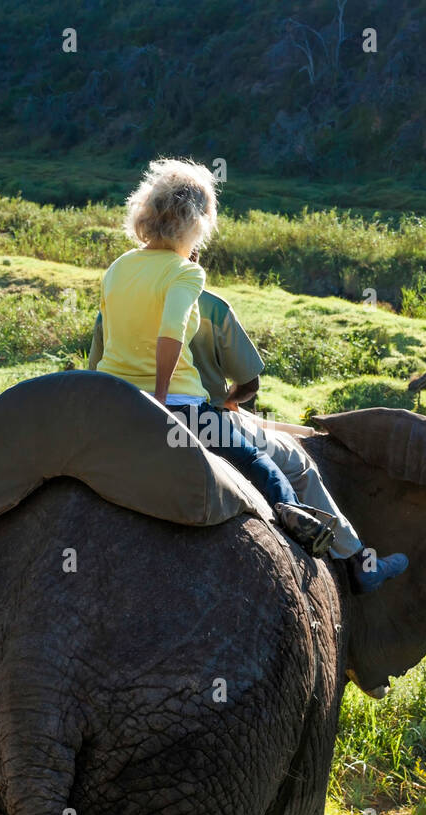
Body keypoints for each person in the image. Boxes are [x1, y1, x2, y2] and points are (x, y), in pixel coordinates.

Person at [90, 283, 409, 593]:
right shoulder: (211, 306)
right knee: (299, 465)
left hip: (128, 414)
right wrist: (231, 399)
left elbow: (96, 372)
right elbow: (249, 382)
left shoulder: (114, 301)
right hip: (205, 419)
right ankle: (358, 562)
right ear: (193, 251)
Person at [94, 158, 339, 560]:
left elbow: (107, 333)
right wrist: (158, 398)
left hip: (111, 399)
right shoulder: (185, 273)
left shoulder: (118, 267)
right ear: (195, 223)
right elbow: (170, 333)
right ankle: (295, 515)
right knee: (257, 461)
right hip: (179, 406)